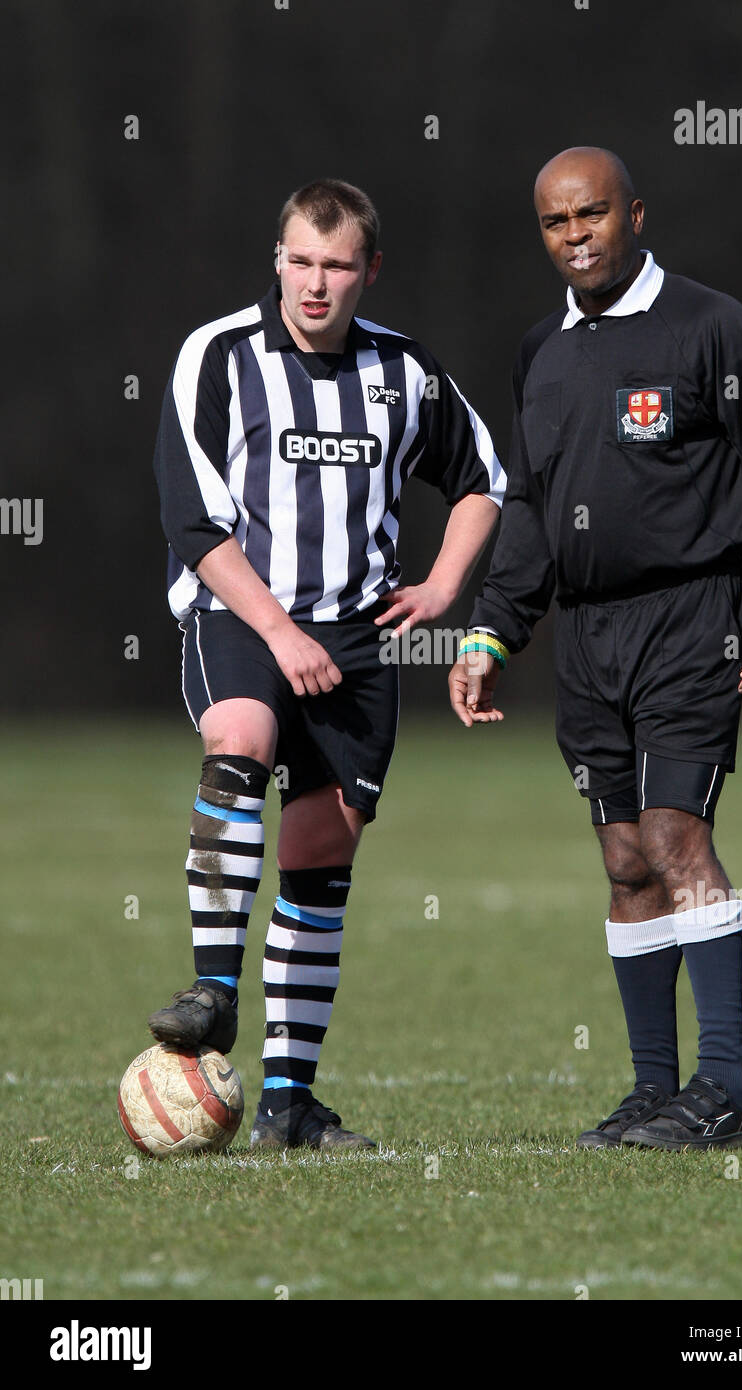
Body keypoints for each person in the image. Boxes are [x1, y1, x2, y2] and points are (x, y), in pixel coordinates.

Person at [448, 147, 742, 1150]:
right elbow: (526, 506)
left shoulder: (711, 326)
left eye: (592, 214)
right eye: (553, 221)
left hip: (688, 615)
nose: (574, 235)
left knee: (673, 838)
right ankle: (655, 1091)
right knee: (623, 863)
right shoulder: (541, 350)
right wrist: (493, 625)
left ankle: (725, 1088)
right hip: (586, 634)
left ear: (635, 214)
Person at [151, 178, 504, 1151]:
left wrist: (438, 586)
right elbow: (196, 524)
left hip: (352, 641)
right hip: (240, 613)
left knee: (319, 853)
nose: (316, 284)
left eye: (337, 264)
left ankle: (286, 1105)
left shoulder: (403, 371)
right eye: (300, 261)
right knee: (240, 740)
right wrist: (278, 631)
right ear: (277, 260)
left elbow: (481, 481)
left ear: (368, 270)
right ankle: (214, 994)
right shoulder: (217, 355)